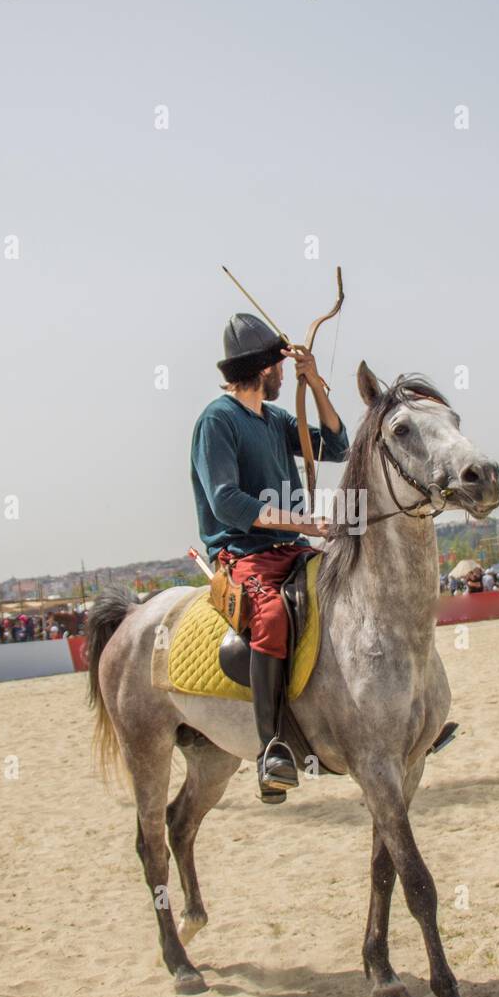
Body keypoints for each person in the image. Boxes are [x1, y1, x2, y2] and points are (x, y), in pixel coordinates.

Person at [191, 311, 348, 802]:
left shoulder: (277, 418)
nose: (284, 373)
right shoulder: (217, 420)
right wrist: (300, 522)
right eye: (280, 365)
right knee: (275, 614)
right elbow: (226, 502)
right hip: (243, 553)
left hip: (291, 548)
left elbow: (337, 446)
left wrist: (316, 384)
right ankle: (271, 746)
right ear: (263, 369)